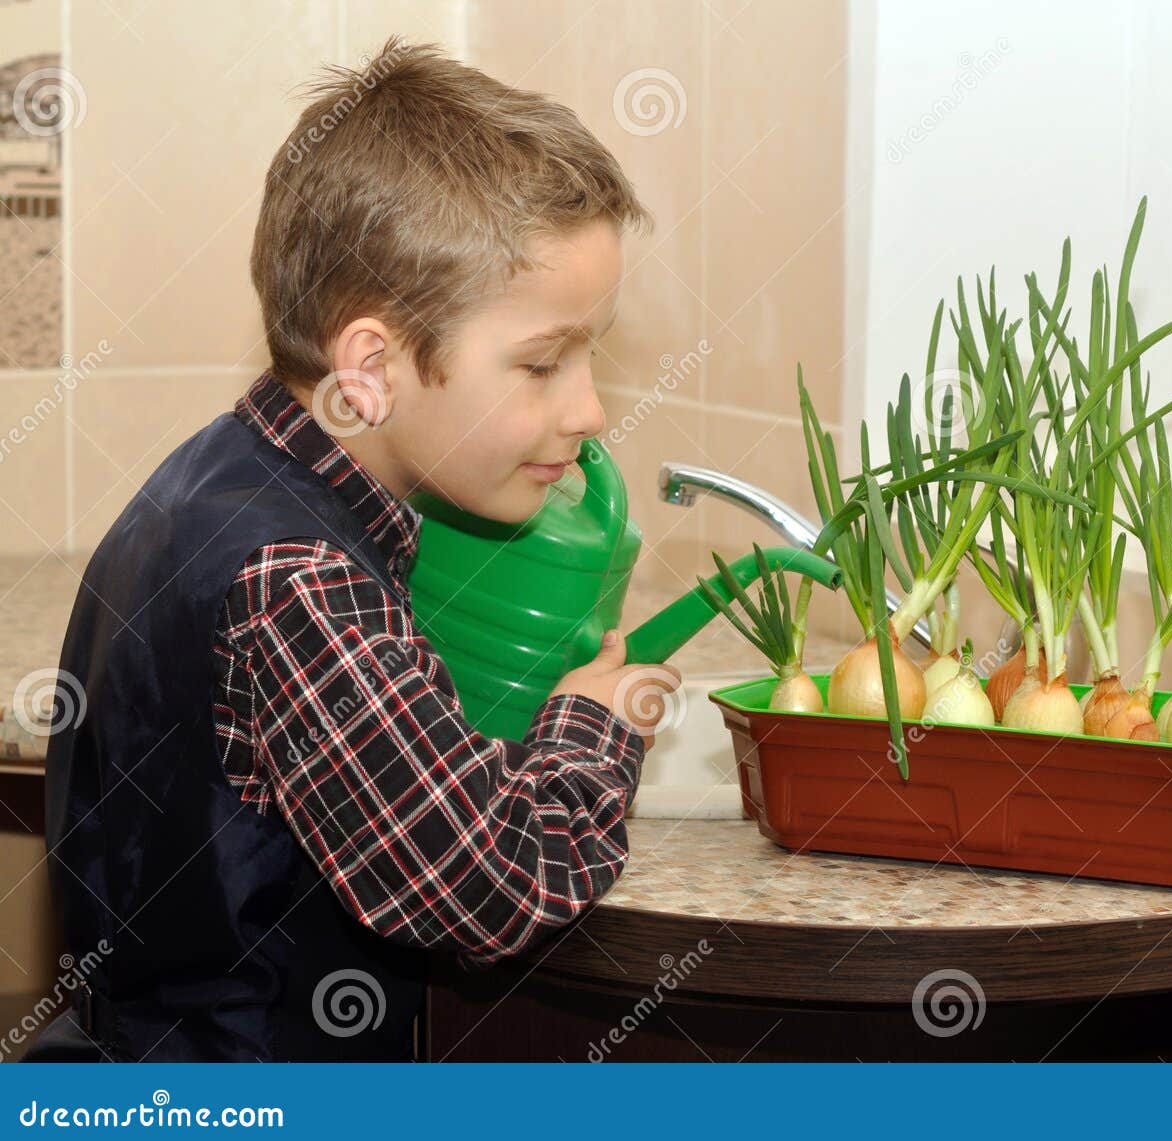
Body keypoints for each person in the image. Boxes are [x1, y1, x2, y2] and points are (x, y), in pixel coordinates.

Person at [24, 37, 680, 1062]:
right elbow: (491, 884)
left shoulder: (222, 471)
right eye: (544, 362)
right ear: (369, 366)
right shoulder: (301, 580)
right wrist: (595, 725)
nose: (590, 409)